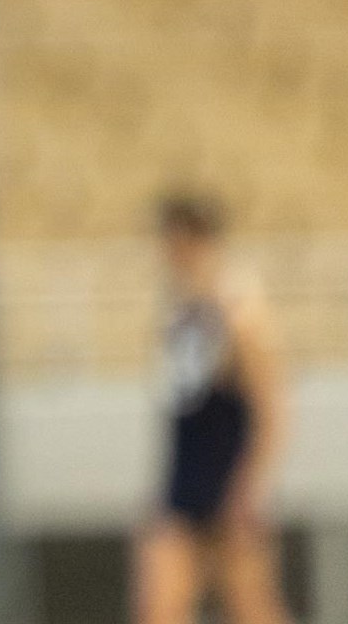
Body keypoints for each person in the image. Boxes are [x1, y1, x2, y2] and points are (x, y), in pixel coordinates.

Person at [133, 193, 293, 624]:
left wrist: (247, 489)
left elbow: (270, 411)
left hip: (228, 483)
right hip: (185, 482)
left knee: (252, 609)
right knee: (159, 608)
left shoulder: (240, 312)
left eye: (181, 244)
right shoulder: (179, 313)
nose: (172, 255)